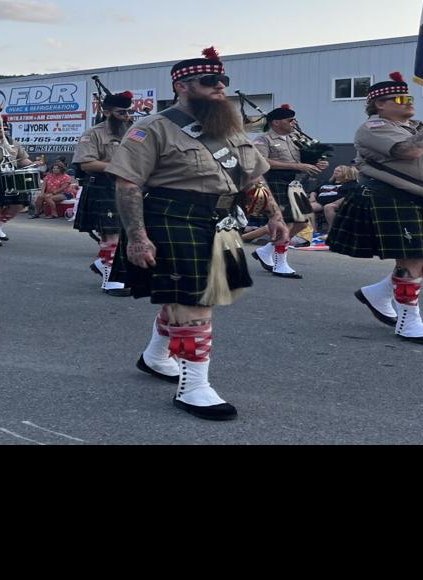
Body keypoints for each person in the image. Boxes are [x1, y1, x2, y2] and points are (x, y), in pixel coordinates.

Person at [107, 46, 278, 420]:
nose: (220, 88)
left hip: (220, 220)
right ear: (182, 85)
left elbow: (253, 174)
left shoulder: (229, 129)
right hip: (171, 215)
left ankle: (155, 357)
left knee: (192, 295)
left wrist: (275, 213)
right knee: (195, 299)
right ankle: (194, 387)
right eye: (210, 81)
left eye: (223, 81)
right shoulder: (151, 127)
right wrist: (137, 236)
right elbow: (128, 185)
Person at [326, 71, 423, 342]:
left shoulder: (421, 127)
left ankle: (377, 293)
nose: (407, 102)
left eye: (409, 97)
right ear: (380, 104)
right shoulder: (372, 128)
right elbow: (409, 151)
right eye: (399, 98)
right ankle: (408, 321)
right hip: (393, 198)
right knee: (411, 260)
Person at [252, 104, 328, 278]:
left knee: (302, 222)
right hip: (275, 181)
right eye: (290, 120)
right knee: (284, 223)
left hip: (295, 182)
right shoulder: (263, 139)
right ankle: (280, 263)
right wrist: (297, 165)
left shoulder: (296, 138)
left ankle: (266, 251)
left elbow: (306, 158)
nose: (294, 122)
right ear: (276, 122)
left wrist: (318, 163)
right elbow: (261, 161)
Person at [73, 90, 134, 294]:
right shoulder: (93, 134)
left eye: (128, 112)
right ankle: (111, 280)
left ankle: (103, 264)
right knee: (112, 235)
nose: (127, 116)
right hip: (104, 187)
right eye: (122, 112)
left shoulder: (134, 133)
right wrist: (116, 167)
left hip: (130, 188)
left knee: (127, 235)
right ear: (107, 112)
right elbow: (86, 163)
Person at [313, 164, 357, 232]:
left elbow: (351, 194)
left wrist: (337, 202)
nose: (335, 172)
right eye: (335, 170)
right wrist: (312, 197)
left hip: (337, 203)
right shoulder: (327, 182)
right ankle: (313, 230)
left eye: (339, 171)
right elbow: (314, 191)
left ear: (346, 173)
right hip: (320, 202)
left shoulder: (350, 183)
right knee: (307, 207)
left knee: (328, 207)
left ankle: (332, 231)